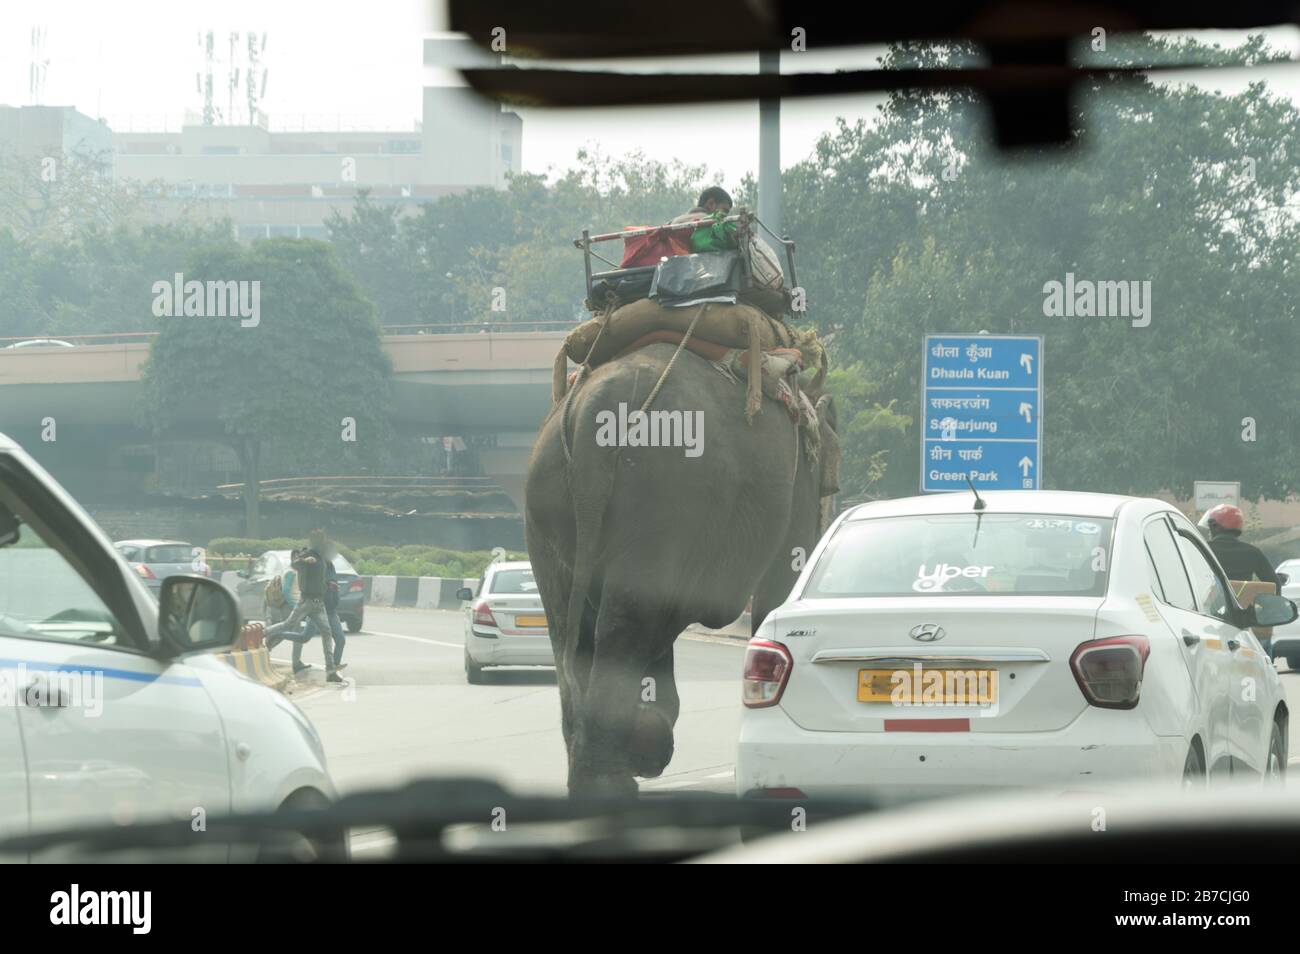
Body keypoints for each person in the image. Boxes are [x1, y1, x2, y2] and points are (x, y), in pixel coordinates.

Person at [264, 529, 342, 683]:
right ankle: (264, 633)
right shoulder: (308, 554)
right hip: (306, 601)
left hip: (319, 604)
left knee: (327, 633)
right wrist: (305, 561)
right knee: (289, 624)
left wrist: (329, 584)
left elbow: (317, 578)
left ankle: (330, 670)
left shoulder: (320, 558)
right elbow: (294, 563)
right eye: (321, 540)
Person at [1202, 504, 1278, 586]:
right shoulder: (1252, 553)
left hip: (1206, 598)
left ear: (1214, 526)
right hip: (1241, 599)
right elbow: (1274, 584)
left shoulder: (1202, 549)